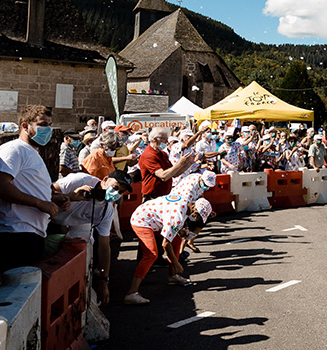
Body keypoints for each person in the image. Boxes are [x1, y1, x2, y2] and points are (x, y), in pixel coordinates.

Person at [0, 105, 70, 272]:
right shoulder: (14, 150)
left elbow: (27, 187)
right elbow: (0, 185)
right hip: (15, 233)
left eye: (49, 124)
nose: (47, 129)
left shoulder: (32, 153)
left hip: (30, 232)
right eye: (42, 124)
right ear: (25, 126)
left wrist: (52, 199)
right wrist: (40, 203)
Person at [122, 172, 215, 305]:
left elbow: (170, 226)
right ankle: (131, 293)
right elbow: (165, 244)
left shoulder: (185, 203)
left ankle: (172, 276)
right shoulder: (178, 214)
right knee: (151, 254)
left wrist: (180, 232)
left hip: (151, 216)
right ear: (194, 212)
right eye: (199, 217)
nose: (197, 220)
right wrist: (177, 263)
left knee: (177, 240)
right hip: (141, 221)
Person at [51, 168, 134, 305]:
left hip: (67, 225)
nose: (116, 193)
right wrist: (70, 196)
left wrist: (104, 281)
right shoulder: (80, 180)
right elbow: (46, 191)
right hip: (44, 216)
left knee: (84, 241)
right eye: (115, 187)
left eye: (120, 192)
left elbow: (104, 246)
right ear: (105, 180)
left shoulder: (106, 211)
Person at [139, 127, 198, 199]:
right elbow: (163, 176)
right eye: (164, 139)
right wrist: (180, 163)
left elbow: (174, 173)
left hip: (165, 195)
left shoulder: (162, 154)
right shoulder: (149, 155)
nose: (167, 142)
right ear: (154, 139)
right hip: (153, 196)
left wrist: (189, 163)